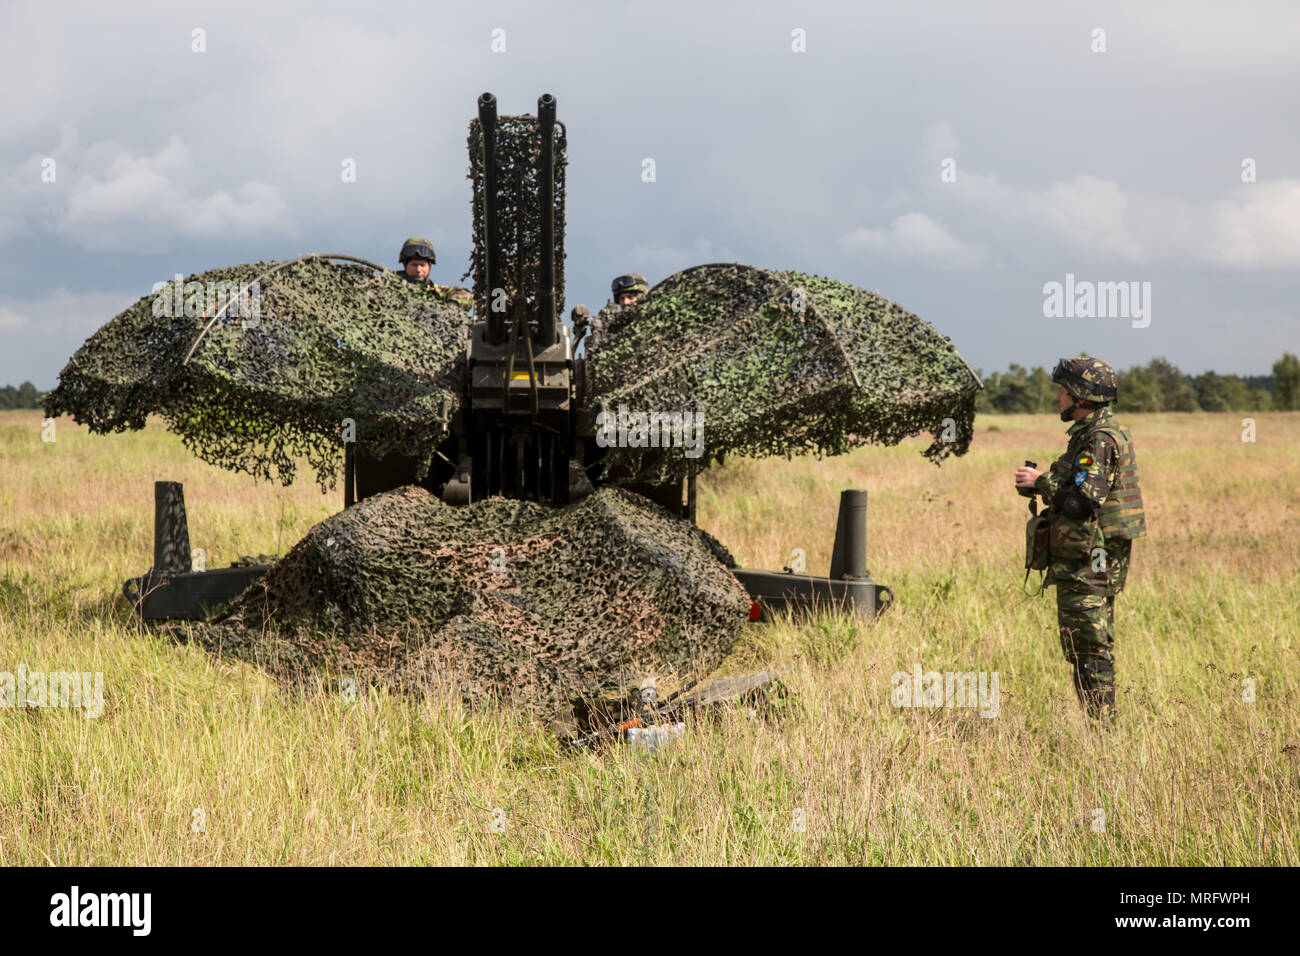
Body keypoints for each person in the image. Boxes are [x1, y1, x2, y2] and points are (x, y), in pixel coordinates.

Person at [1014, 356, 1146, 723]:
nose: (1058, 398)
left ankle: (1103, 730)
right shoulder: (1093, 435)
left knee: (1088, 644)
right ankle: (1101, 726)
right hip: (1089, 555)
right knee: (1085, 642)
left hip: (1092, 558)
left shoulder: (1099, 439)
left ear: (1082, 395)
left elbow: (1082, 500)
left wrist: (1039, 481)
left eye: (1063, 391)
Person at [396, 236, 473, 310]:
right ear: (405, 265)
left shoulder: (436, 292)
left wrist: (453, 305)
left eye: (422, 265)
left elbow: (466, 295)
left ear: (429, 267)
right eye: (414, 265)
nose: (418, 269)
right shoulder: (390, 284)